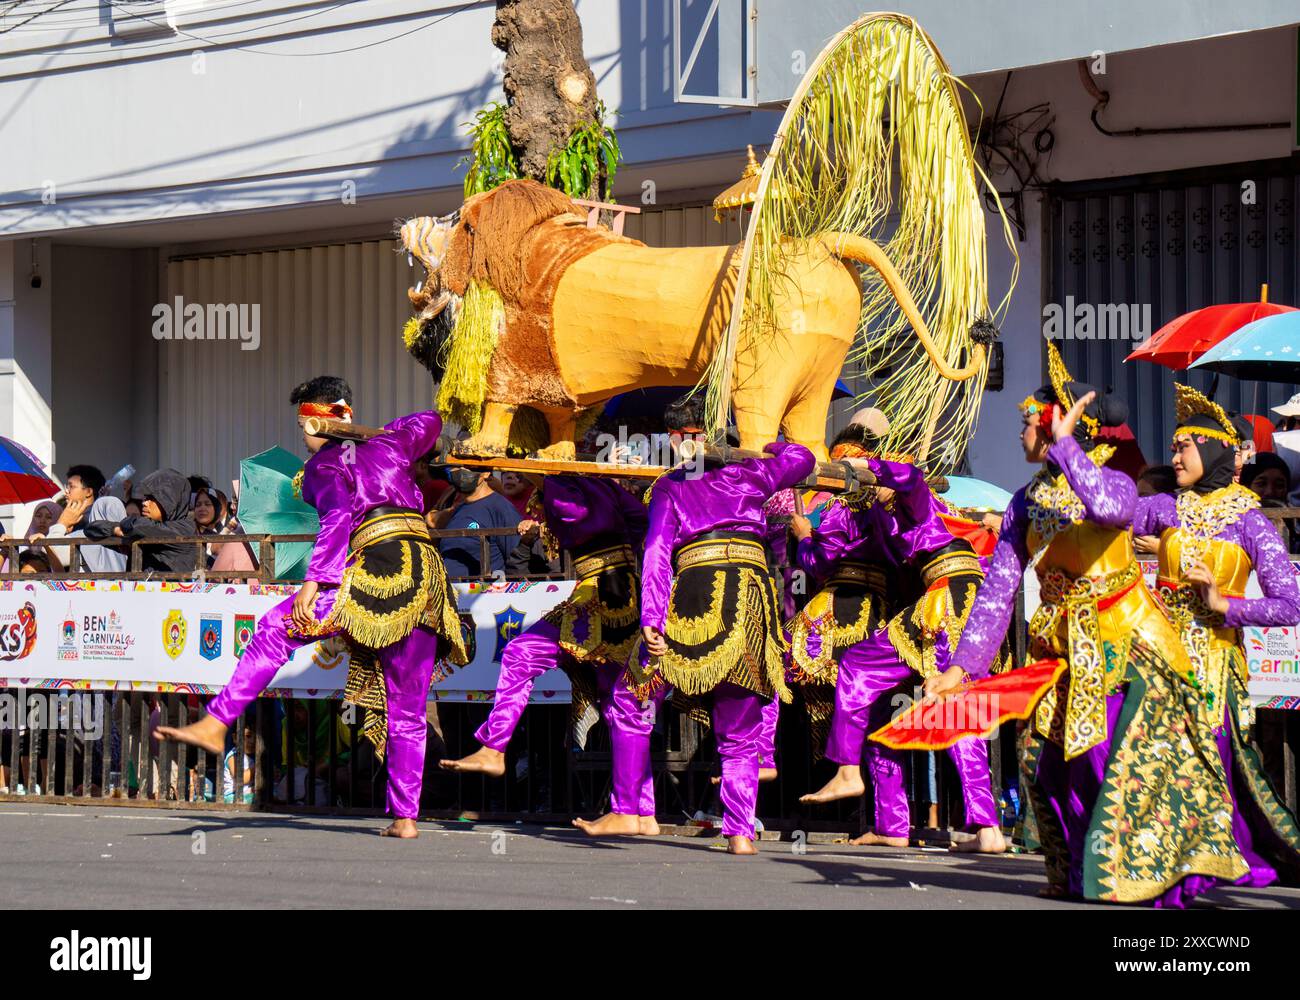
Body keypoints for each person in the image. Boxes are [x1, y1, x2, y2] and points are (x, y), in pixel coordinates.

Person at [926, 343, 1247, 905]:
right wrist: (961, 669)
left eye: (1028, 422)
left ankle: (1133, 882)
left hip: (1124, 650)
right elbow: (1000, 588)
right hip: (1058, 656)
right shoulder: (1026, 502)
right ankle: (1080, 879)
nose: (1019, 433)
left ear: (1058, 426)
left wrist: (1068, 446)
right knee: (1042, 767)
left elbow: (1106, 510)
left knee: (1105, 769)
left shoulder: (1116, 481)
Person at [156, 375, 468, 838]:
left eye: (302, 423)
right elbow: (430, 420)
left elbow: (339, 518)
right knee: (407, 706)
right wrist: (381, 430)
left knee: (275, 629)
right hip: (424, 576)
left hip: (375, 574)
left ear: (315, 419)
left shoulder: (325, 466)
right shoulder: (392, 443)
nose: (302, 436)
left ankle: (217, 720)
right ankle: (405, 817)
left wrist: (314, 583)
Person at [795, 423, 1007, 854]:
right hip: (961, 603)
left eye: (880, 482)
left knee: (856, 666)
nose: (876, 489)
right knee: (942, 711)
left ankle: (848, 770)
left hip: (947, 601)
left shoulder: (917, 498)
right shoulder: (886, 519)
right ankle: (972, 828)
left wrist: (866, 465)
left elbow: (907, 479)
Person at [1132, 384, 1300, 891]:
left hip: (1212, 663)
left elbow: (1291, 604)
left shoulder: (1251, 521)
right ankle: (1159, 865)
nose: (1173, 454)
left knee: (1215, 766)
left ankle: (1206, 864)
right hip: (1155, 656)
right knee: (1147, 759)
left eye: (1183, 446)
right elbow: (1102, 521)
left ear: (1211, 450)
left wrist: (1226, 604)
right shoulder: (1164, 507)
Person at [630, 395, 815, 855]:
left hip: (699, 589)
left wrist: (652, 617)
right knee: (741, 719)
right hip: (751, 593)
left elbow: (656, 554)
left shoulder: (670, 487)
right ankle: (739, 833)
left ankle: (632, 807)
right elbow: (803, 456)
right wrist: (763, 447)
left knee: (635, 691)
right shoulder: (751, 472)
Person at [441, 473, 660, 837]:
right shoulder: (600, 485)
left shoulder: (566, 485)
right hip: (622, 590)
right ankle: (642, 811)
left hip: (599, 595)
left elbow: (576, 517)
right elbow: (638, 521)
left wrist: (552, 501)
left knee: (523, 654)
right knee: (623, 705)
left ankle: (495, 747)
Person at [83, 469, 197, 575]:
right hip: (140, 593)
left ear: (171, 501)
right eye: (145, 498)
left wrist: (127, 528)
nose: (144, 503)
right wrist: (116, 530)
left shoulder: (186, 527)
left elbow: (137, 525)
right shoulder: (144, 529)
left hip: (173, 594)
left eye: (152, 499)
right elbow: (90, 529)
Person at [436, 468, 521, 578]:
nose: (462, 471)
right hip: (452, 591)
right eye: (458, 466)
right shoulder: (458, 509)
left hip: (483, 593)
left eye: (469, 467)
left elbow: (517, 559)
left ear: (485, 473)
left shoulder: (501, 508)